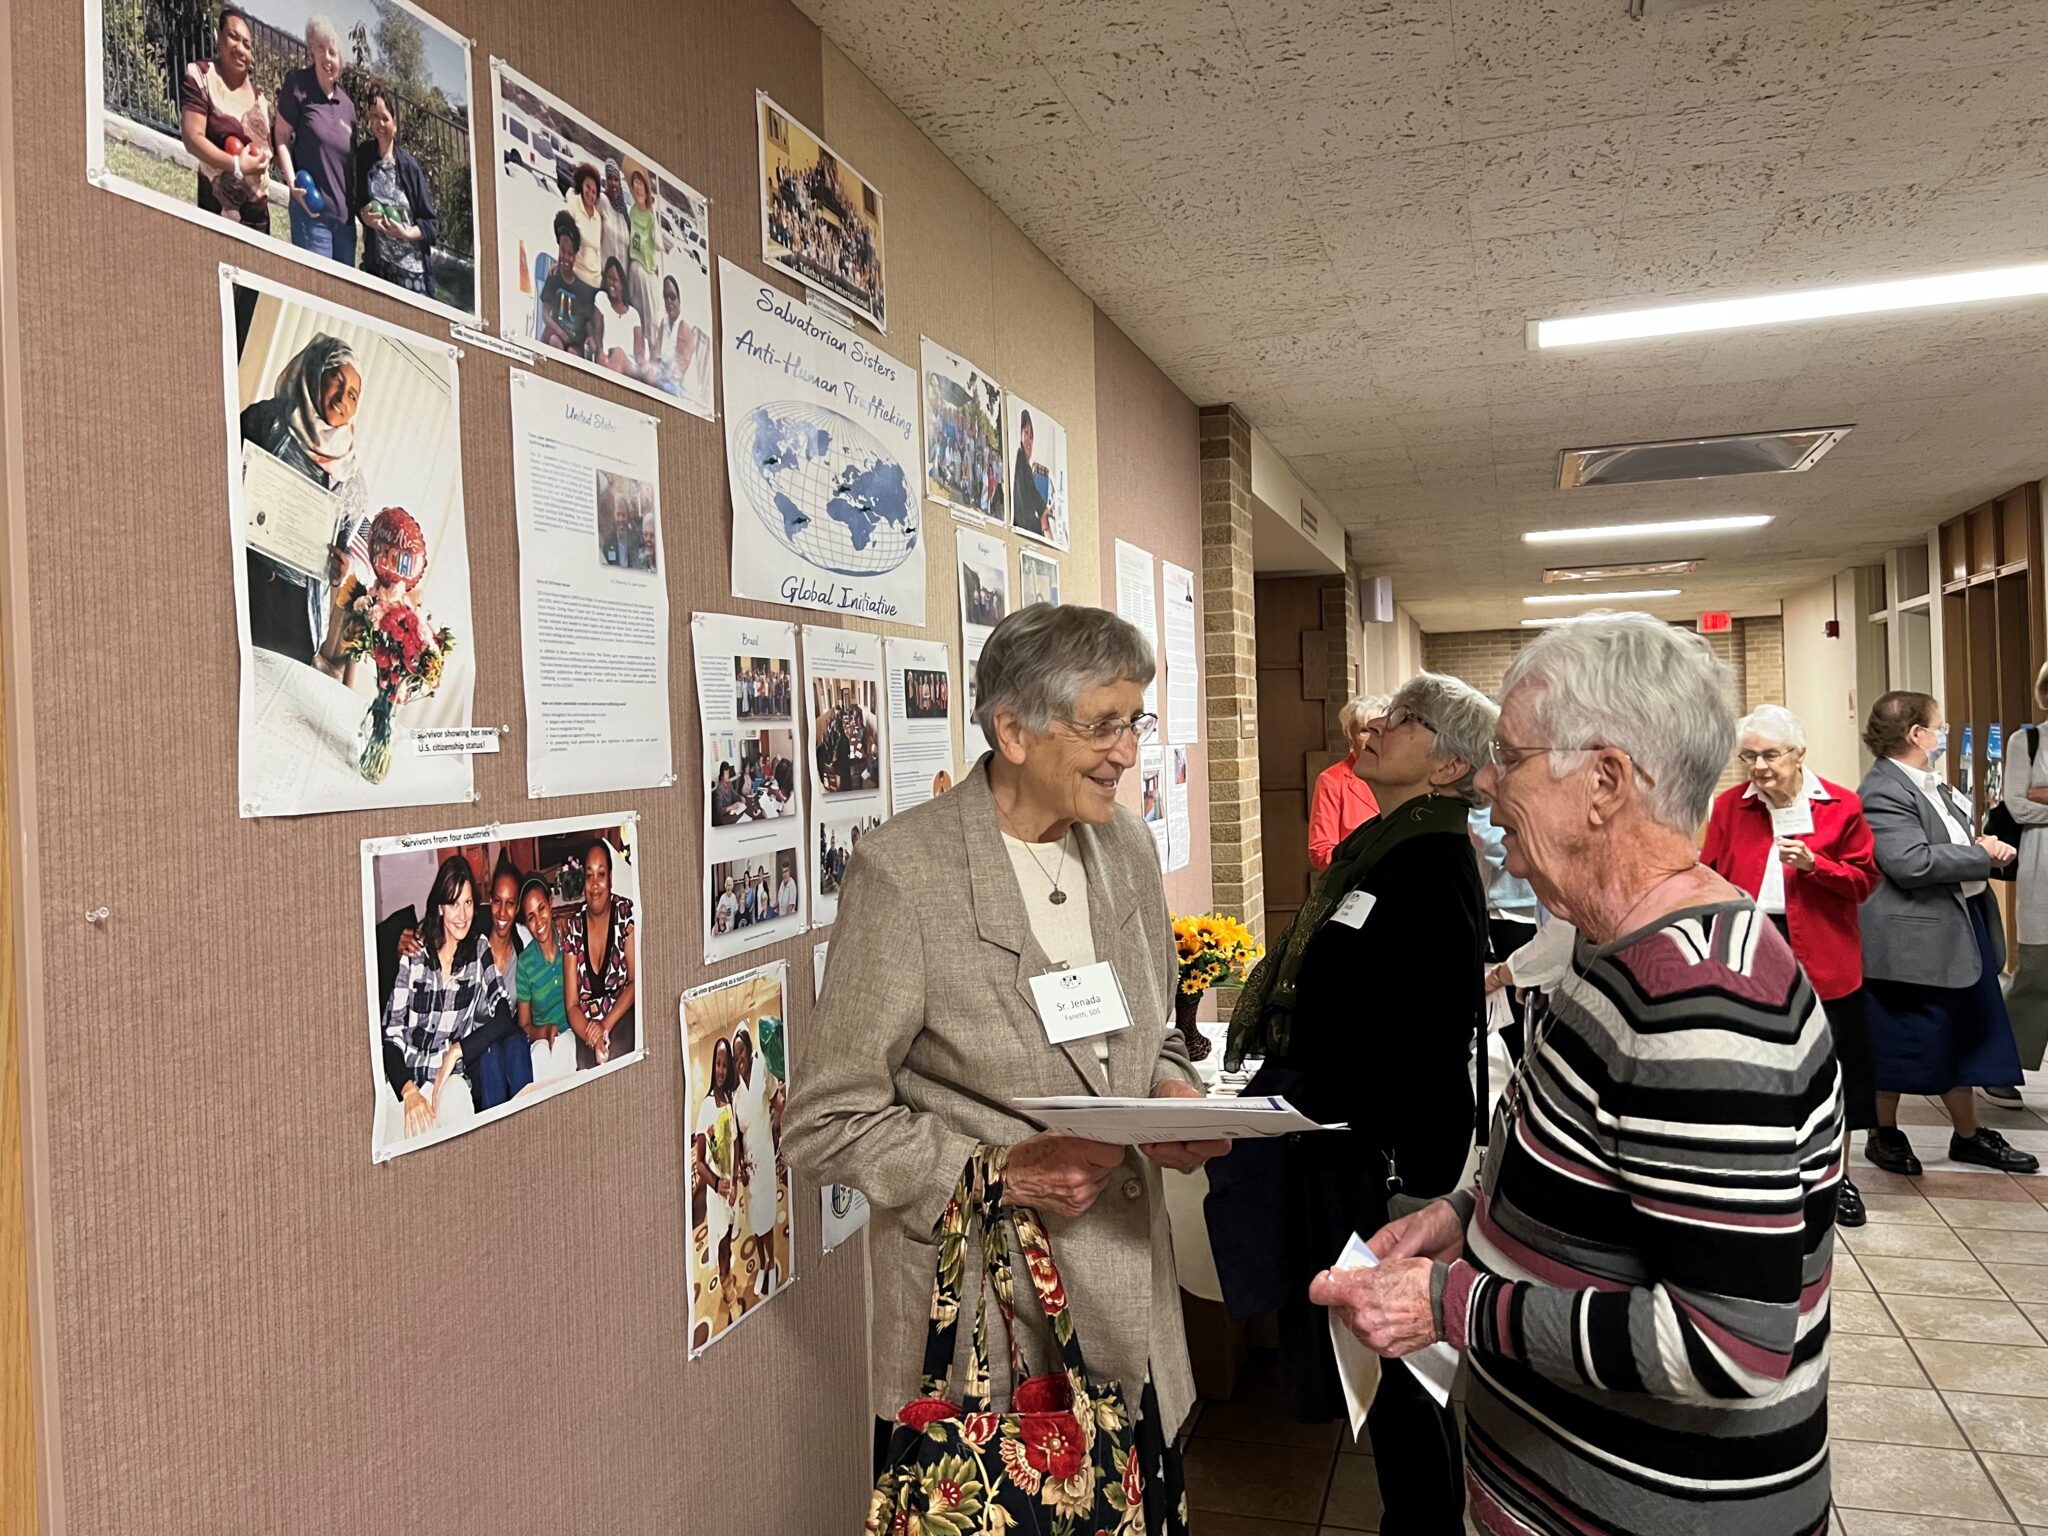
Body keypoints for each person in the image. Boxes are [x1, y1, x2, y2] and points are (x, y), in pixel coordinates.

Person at [1314, 613, 1841, 1536]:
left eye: (1510, 756)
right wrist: (1463, 1218)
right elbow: (1591, 1168)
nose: (1483, 779)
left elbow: (1726, 1348)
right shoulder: (1614, 952)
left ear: (1604, 784)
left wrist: (1450, 1302)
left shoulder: (1699, 1004)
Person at [784, 604, 1221, 1527]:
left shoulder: (1127, 848)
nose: (1127, 752)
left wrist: (1170, 1088)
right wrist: (999, 1174)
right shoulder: (907, 874)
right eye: (1102, 725)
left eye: (1134, 722)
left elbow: (1152, 1035)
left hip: (1135, 1323)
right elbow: (825, 1117)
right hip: (995, 1344)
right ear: (1012, 730)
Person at [1208, 675, 1494, 1530]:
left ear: (1447, 765)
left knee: (1403, 1358)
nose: (1379, 725)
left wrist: (1373, 1134)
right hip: (1351, 1126)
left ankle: (1423, 1522)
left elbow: (1428, 1026)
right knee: (1381, 1352)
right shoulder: (1380, 844)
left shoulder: (1431, 858)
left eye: (1405, 721)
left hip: (1388, 1145)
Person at [1703, 704, 1881, 1225]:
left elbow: (1865, 880)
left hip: (1825, 951)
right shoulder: (1732, 806)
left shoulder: (1840, 805)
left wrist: (1815, 866)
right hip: (1752, 946)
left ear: (1800, 754)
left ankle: (1839, 1178)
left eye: (1770, 755)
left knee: (1832, 1070)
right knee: (1757, 1067)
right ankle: (1761, 1172)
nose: (1758, 767)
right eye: (1749, 757)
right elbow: (1711, 874)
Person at [1856, 691, 2037, 1174]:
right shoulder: (1882, 790)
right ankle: (1885, 1134)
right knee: (1901, 1040)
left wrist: (1979, 842)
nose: (1943, 734)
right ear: (1916, 734)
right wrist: (1985, 855)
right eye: (1939, 727)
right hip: (1915, 941)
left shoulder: (1928, 783)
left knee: (1964, 1033)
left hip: (1958, 925)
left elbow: (1944, 841)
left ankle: (1969, 1136)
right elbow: (1908, 861)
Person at [238, 334, 370, 666]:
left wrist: (340, 569)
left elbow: (336, 557)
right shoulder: (265, 422)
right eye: (335, 380)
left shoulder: (352, 482)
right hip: (241, 575)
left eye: (352, 395)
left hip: (293, 610)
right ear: (315, 372)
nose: (342, 398)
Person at [381, 855, 508, 1145]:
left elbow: (503, 1015)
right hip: (405, 1078)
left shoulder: (478, 950)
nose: (462, 915)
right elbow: (391, 1038)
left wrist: (457, 1050)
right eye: (453, 904)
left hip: (448, 1077)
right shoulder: (415, 953)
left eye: (468, 903)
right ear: (440, 907)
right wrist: (408, 1091)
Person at [179, 6, 273, 231]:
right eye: (233, 37)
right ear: (218, 37)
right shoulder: (201, 76)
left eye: (247, 45)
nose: (241, 49)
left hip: (258, 219)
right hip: (216, 211)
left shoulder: (261, 100)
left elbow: (271, 152)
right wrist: (236, 165)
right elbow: (192, 137)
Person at [272, 15, 356, 265]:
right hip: (312, 213)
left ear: (341, 61)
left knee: (341, 299)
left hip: (344, 224)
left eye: (333, 52)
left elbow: (350, 165)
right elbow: (281, 136)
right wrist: (291, 183)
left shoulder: (348, 107)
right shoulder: (298, 84)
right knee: (315, 293)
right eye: (321, 48)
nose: (327, 58)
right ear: (311, 49)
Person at [1999, 661, 2048, 1086]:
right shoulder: (2027, 741)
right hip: (2041, 862)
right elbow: (2018, 805)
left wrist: (2044, 793)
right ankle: (2004, 1063)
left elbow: (2036, 799)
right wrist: (2035, 798)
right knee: (2036, 971)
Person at [350, 86, 437, 298]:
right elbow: (356, 200)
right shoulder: (364, 157)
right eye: (374, 116)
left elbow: (431, 226)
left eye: (385, 118)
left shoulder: (409, 167)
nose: (379, 124)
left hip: (412, 275)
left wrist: (405, 233)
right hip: (378, 267)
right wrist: (364, 216)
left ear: (395, 124)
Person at [563, 838, 636, 1070]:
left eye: (601, 874)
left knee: (617, 1057)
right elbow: (572, 1005)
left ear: (611, 879)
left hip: (620, 1016)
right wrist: (591, 1033)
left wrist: (604, 1024)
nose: (595, 884)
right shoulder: (573, 928)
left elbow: (635, 983)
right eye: (589, 875)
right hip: (585, 1026)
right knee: (588, 1071)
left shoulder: (625, 914)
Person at [732, 1024, 785, 1297]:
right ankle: (763, 1265)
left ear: (749, 1049)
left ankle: (772, 1267)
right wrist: (739, 1164)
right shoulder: (736, 1093)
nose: (739, 1061)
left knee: (766, 1216)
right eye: (735, 1057)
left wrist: (777, 1131)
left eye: (741, 1054)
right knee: (754, 1219)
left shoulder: (762, 1066)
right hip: (749, 1166)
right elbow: (737, 1135)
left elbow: (777, 1100)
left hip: (764, 1155)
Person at [1307, 694, 1386, 871]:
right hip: (1358, 886)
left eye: (1379, 731)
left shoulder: (1402, 775)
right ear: (1350, 737)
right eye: (1364, 731)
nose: (1372, 738)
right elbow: (1321, 852)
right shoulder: (1332, 780)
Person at [693, 1037, 740, 1309]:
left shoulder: (729, 1101)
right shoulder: (707, 1106)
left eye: (725, 1064)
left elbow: (734, 1142)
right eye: (717, 1064)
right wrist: (718, 1183)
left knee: (731, 1230)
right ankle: (725, 1281)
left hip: (731, 1186)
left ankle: (727, 1271)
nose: (721, 1070)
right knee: (721, 1239)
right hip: (716, 1189)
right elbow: (699, 1162)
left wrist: (733, 1181)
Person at [515, 876, 576, 1085]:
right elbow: (524, 1025)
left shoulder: (570, 942)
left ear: (550, 905)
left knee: (564, 1048)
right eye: (531, 917)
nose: (539, 921)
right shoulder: (524, 963)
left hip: (570, 1030)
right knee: (539, 1057)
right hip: (540, 1039)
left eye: (541, 909)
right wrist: (544, 1031)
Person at [538, 211, 596, 358]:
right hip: (555, 332)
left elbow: (587, 319)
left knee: (572, 354)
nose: (566, 257)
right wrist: (559, 331)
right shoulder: (554, 276)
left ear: (576, 256)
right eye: (563, 251)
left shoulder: (583, 285)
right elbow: (545, 314)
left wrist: (590, 337)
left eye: (570, 254)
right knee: (555, 342)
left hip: (575, 340)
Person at [625, 168, 662, 339]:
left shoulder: (652, 216)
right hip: (635, 265)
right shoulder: (632, 211)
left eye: (641, 184)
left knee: (652, 315)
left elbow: (658, 244)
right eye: (635, 185)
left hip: (649, 269)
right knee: (637, 309)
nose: (638, 188)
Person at [593, 258, 643, 378]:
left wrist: (644, 365)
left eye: (615, 280)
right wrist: (599, 351)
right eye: (609, 278)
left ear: (622, 284)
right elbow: (596, 330)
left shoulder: (633, 314)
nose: (611, 283)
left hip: (629, 366)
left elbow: (639, 350)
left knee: (619, 353)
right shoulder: (602, 298)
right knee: (616, 354)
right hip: (607, 360)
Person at [563, 165, 605, 289]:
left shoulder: (598, 218)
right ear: (581, 184)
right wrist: (560, 263)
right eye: (588, 187)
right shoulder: (574, 203)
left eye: (594, 192)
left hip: (595, 281)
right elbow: (564, 239)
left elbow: (598, 250)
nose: (590, 194)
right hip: (576, 275)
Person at [1011, 408, 1047, 538]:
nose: (1028, 441)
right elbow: (1022, 520)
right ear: (1020, 433)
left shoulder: (1024, 464)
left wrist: (1044, 509)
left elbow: (1034, 494)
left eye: (1031, 437)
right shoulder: (1020, 458)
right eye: (1026, 433)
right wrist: (1043, 514)